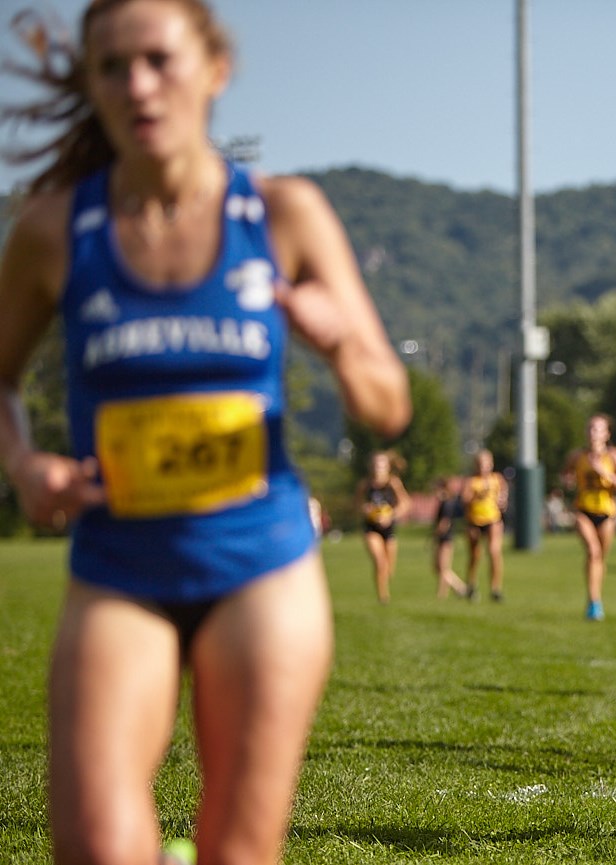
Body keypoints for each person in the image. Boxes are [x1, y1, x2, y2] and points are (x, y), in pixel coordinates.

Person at [0, 2, 411, 862]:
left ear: (215, 69)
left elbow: (387, 406)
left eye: (159, 58)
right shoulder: (54, 230)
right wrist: (25, 464)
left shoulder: (285, 213)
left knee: (237, 849)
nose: (137, 84)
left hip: (259, 567)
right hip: (121, 569)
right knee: (96, 844)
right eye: (111, 67)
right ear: (92, 84)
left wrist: (336, 341)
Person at [563, 414, 616, 620]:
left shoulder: (614, 456)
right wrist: (568, 481)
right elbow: (565, 475)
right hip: (583, 510)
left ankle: (595, 597)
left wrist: (605, 473)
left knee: (600, 557)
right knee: (593, 552)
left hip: (607, 512)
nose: (593, 433)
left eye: (598, 429)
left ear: (606, 434)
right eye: (590, 428)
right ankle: (594, 602)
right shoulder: (577, 456)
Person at [357, 450, 409, 604]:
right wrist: (364, 508)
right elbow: (357, 504)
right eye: (375, 464)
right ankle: (383, 597)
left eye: (381, 464)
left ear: (387, 467)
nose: (378, 468)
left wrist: (390, 515)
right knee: (380, 562)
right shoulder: (365, 485)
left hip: (389, 527)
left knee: (389, 569)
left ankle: (385, 587)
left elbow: (406, 504)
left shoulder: (393, 483)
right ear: (371, 467)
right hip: (371, 527)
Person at [463, 448, 508, 601]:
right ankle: (471, 584)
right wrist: (475, 496)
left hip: (493, 519)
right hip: (474, 521)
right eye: (481, 463)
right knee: (475, 555)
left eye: (487, 463)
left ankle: (496, 589)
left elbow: (503, 493)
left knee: (494, 552)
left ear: (491, 464)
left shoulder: (497, 479)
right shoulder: (472, 481)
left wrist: (503, 500)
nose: (484, 467)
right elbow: (464, 500)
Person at [431, 475, 471, 600]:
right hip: (444, 538)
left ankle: (443, 594)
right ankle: (461, 589)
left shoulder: (447, 503)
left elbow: (444, 522)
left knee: (443, 569)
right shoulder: (446, 502)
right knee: (438, 568)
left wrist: (436, 534)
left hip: (446, 538)